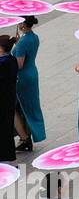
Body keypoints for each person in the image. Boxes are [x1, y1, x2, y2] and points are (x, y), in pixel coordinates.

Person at [11, 16, 44, 151]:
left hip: (23, 77)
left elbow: (19, 64)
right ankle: (26, 136)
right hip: (32, 73)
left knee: (21, 107)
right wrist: (18, 44)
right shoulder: (34, 37)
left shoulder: (23, 42)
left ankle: (24, 138)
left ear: (24, 24)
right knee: (28, 106)